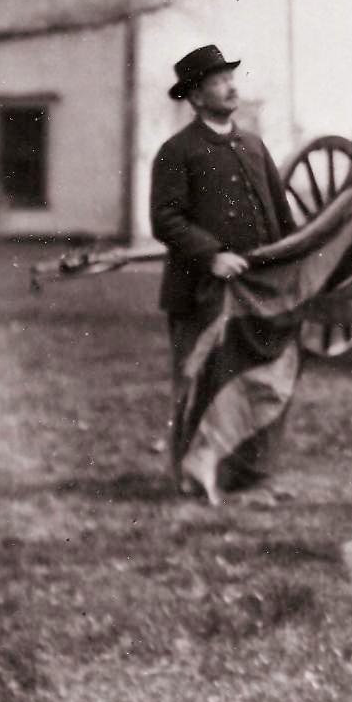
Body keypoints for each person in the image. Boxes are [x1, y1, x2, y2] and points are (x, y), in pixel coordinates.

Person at [150, 44, 297, 495]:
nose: (232, 88)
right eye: (218, 82)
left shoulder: (253, 146)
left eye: (231, 78)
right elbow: (165, 218)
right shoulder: (178, 151)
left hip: (257, 293)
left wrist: (289, 265)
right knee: (203, 381)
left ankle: (252, 479)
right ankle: (196, 479)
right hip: (202, 291)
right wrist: (212, 255)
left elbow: (281, 217)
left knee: (258, 384)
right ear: (196, 97)